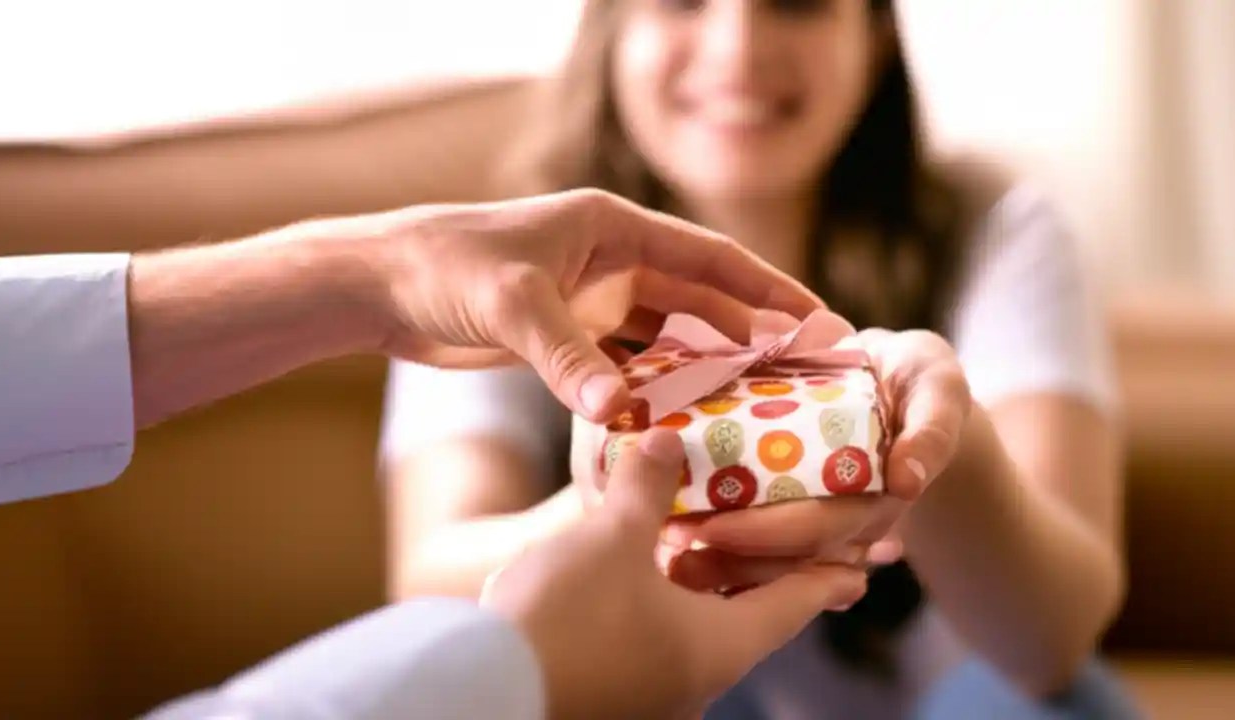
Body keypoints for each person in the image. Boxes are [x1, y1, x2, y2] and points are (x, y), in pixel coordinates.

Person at [384, 1, 1140, 718]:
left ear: (873, 35)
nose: (738, 49)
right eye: (682, 2)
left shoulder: (996, 232)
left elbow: (1055, 646)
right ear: (612, 28)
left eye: (799, 1)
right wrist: (623, 503)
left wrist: (942, 449)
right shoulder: (507, 263)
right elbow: (432, 588)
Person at [0, 188, 868, 719]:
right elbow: (432, 563)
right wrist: (527, 664)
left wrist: (373, 269)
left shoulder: (985, 230)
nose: (739, 45)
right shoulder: (535, 316)